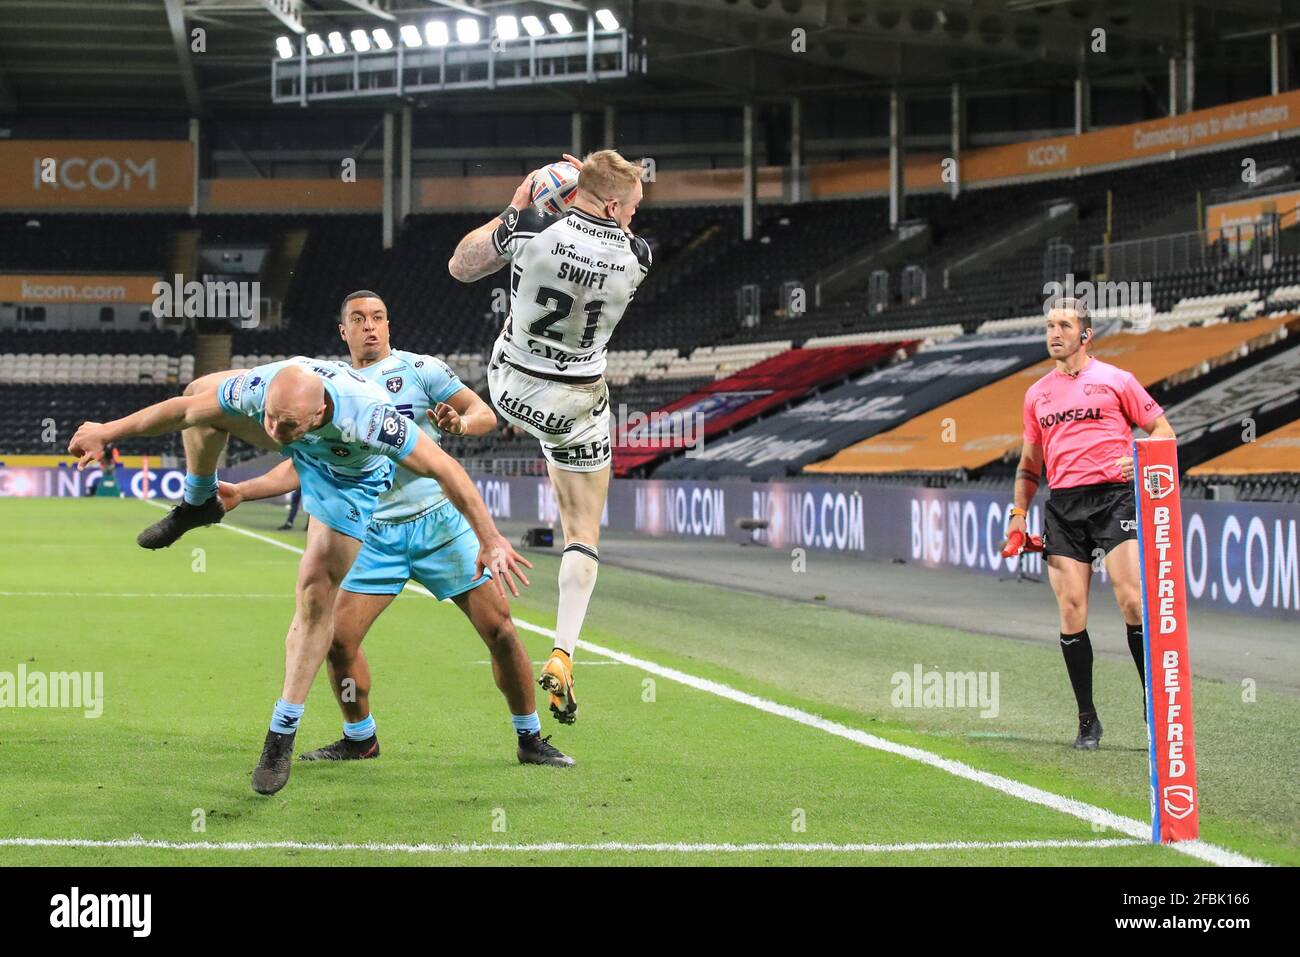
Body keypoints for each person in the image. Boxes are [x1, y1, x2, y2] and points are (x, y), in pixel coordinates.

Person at [68, 354, 530, 794]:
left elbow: (447, 469)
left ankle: (280, 734)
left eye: (286, 423)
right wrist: (108, 431)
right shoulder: (269, 390)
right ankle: (197, 499)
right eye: (270, 418)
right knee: (199, 398)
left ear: (319, 411)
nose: (272, 430)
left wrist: (489, 539)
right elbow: (183, 410)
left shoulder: (371, 419)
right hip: (316, 446)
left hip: (349, 482)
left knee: (314, 596)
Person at [219, 290, 571, 767]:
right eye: (359, 319)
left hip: (440, 524)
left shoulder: (421, 371)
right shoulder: (323, 389)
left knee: (501, 630)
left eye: (379, 318)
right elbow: (305, 465)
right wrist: (244, 490)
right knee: (337, 642)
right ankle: (359, 737)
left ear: (389, 326)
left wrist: (461, 425)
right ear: (343, 332)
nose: (370, 326)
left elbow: (485, 413)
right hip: (370, 533)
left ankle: (530, 737)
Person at [448, 149, 650, 725]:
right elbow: (607, 224)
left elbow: (462, 266)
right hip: (576, 402)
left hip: (510, 385)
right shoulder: (638, 257)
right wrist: (592, 179)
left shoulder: (535, 227)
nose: (635, 217)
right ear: (615, 205)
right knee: (582, 530)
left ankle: (561, 656)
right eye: (631, 206)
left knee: (510, 328)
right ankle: (563, 652)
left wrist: (516, 206)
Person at [1004, 298, 1175, 750]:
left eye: (1064, 324)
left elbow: (1164, 432)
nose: (1053, 332)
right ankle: (1087, 720)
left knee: (1133, 602)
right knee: (1071, 609)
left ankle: (1152, 708)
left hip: (1114, 500)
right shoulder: (1036, 394)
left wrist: (1136, 458)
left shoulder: (1118, 381)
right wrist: (1018, 514)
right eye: (1049, 325)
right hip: (1063, 505)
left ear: (1086, 334)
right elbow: (1029, 463)